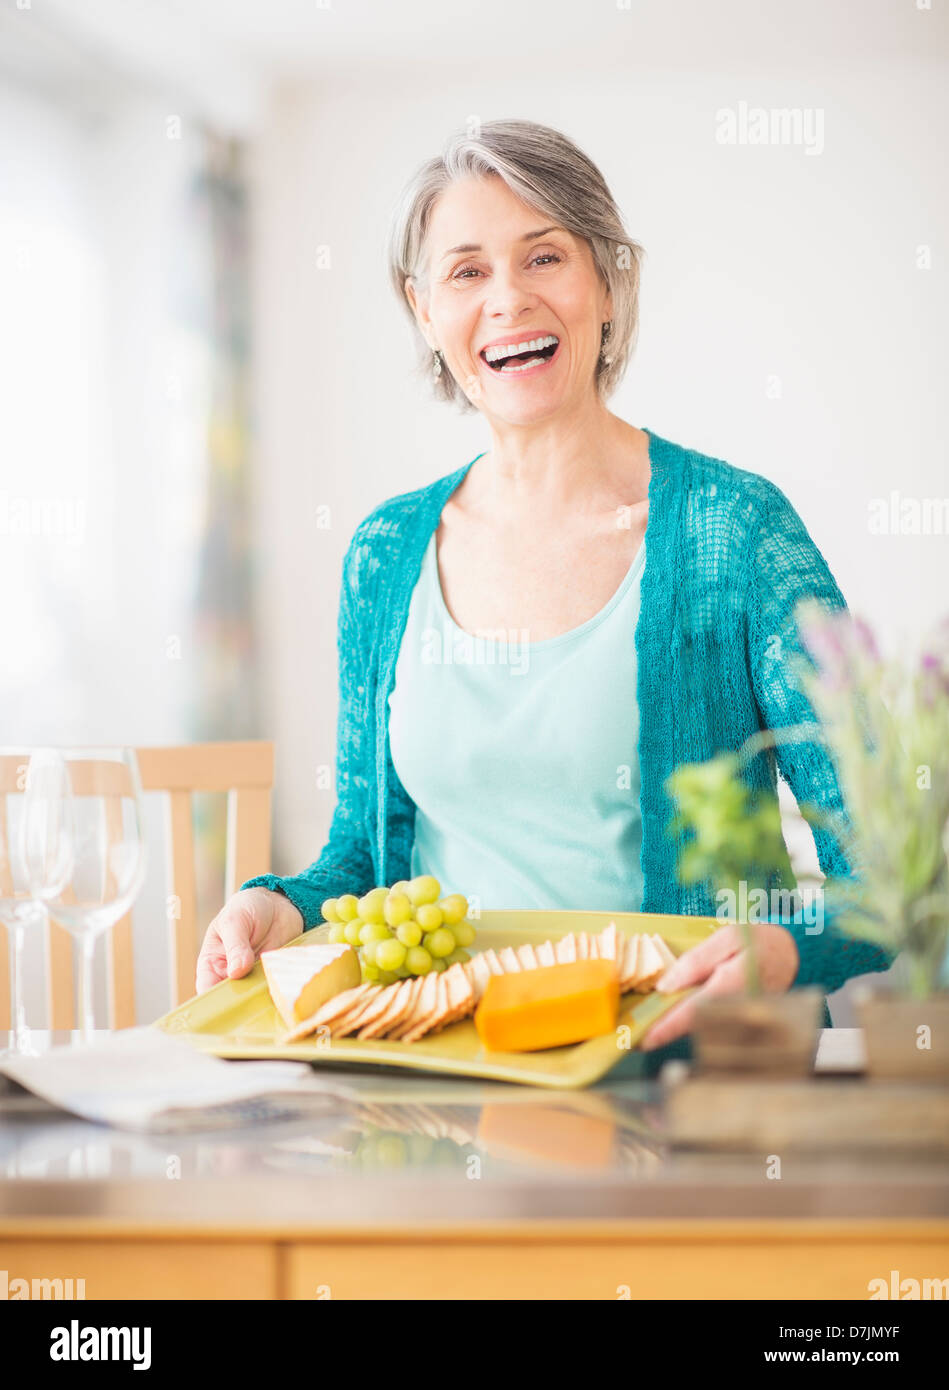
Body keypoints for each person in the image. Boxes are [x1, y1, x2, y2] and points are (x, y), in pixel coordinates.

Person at [195, 119, 891, 1053]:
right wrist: (275, 908)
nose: (508, 300)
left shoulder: (734, 530)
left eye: (544, 258)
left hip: (678, 1082)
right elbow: (358, 861)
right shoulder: (385, 551)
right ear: (422, 310)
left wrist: (778, 952)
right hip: (438, 1077)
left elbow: (884, 870)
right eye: (466, 271)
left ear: (606, 283)